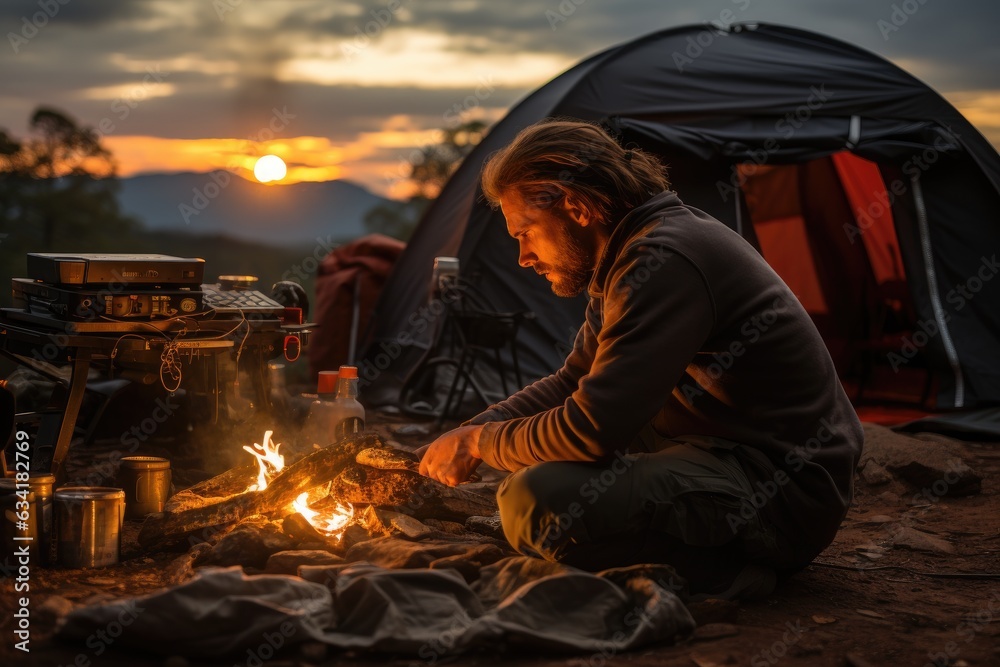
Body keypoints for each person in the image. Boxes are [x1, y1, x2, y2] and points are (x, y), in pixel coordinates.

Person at [418, 119, 864, 600]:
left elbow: (591, 429)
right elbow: (575, 380)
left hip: (781, 493)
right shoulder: (627, 249)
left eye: (525, 232)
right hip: (721, 445)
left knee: (534, 502)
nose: (522, 256)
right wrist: (472, 428)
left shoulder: (662, 258)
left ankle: (724, 571)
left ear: (575, 205)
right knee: (541, 467)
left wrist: (482, 443)